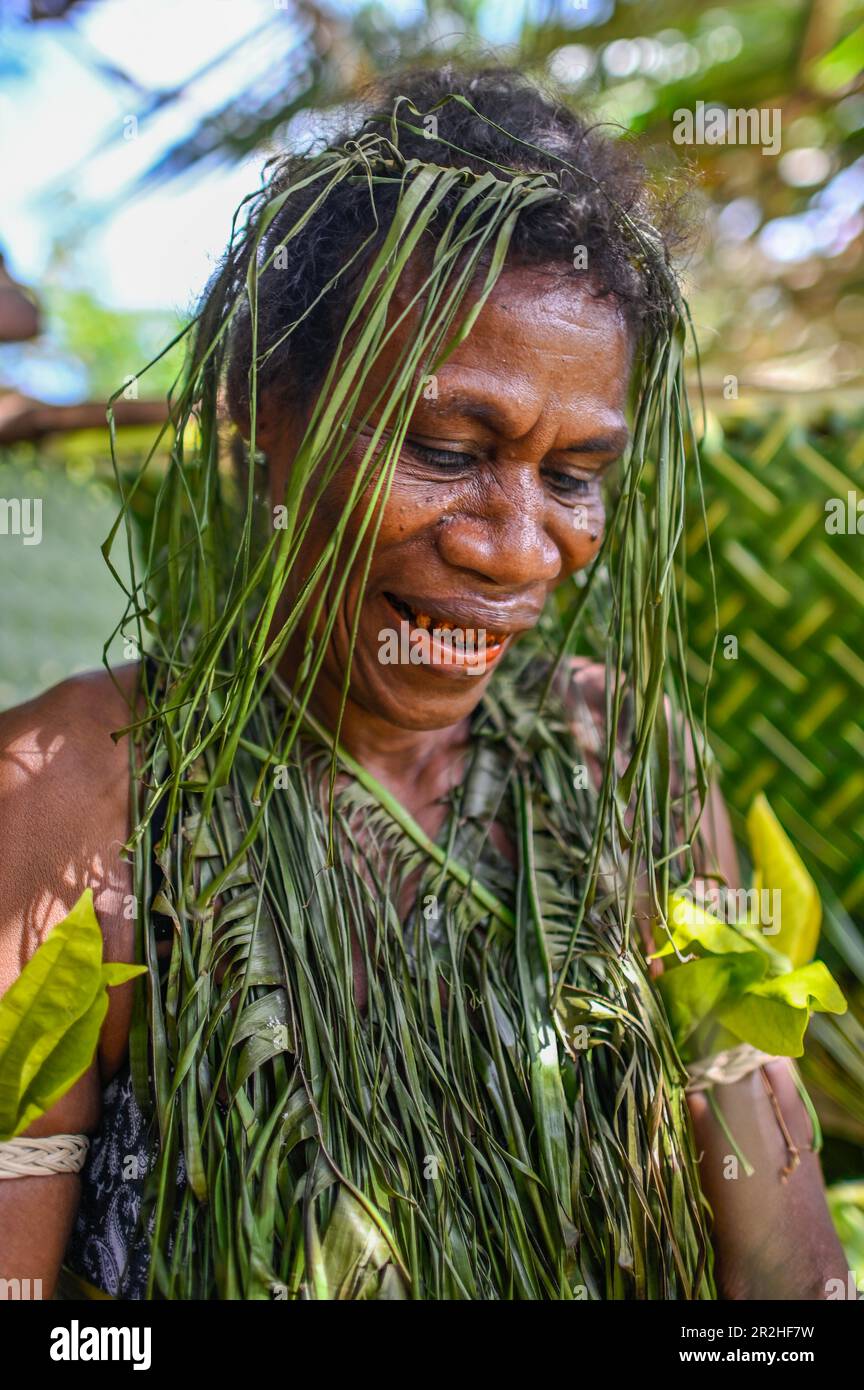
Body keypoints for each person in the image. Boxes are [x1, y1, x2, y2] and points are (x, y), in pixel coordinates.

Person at [0, 66, 848, 1301]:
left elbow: (784, 1263)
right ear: (260, 416)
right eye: (447, 451)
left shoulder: (627, 762)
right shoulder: (76, 801)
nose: (514, 549)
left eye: (573, 478)